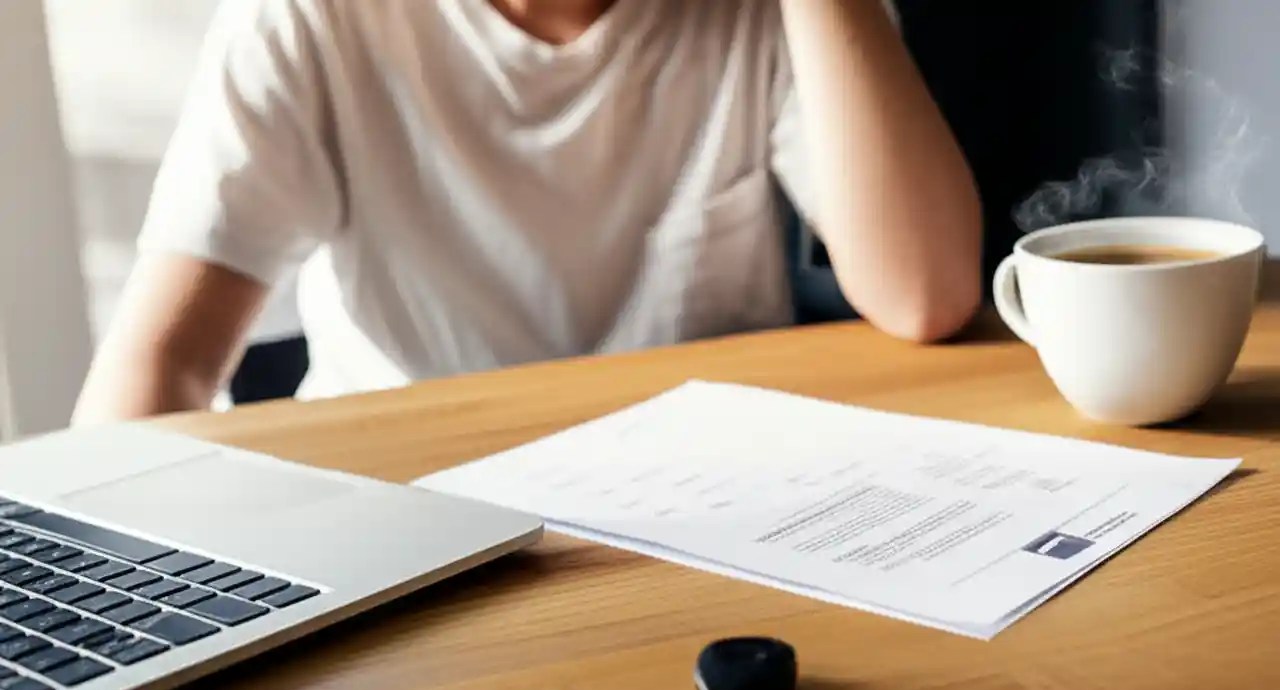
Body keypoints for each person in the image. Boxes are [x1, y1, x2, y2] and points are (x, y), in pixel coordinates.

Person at [72, 0, 982, 424]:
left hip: (714, 496)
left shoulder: (762, 16)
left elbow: (924, 294)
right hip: (406, 503)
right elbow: (163, 364)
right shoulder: (311, 21)